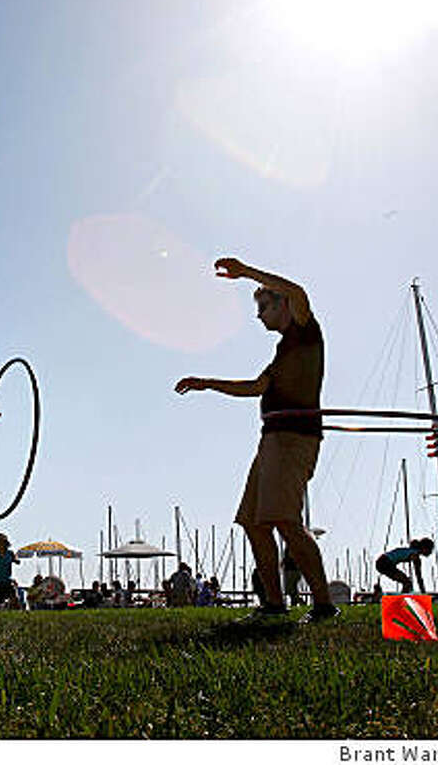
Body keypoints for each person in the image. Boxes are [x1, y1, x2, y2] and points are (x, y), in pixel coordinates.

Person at [176, 257, 337, 624]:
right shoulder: (282, 352)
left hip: (294, 437)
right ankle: (274, 604)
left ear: (282, 304)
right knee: (253, 521)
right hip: (271, 439)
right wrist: (207, 383)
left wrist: (246, 272)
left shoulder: (305, 331)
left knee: (285, 519)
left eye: (264, 306)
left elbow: (298, 291)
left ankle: (324, 604)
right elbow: (255, 387)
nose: (259, 314)